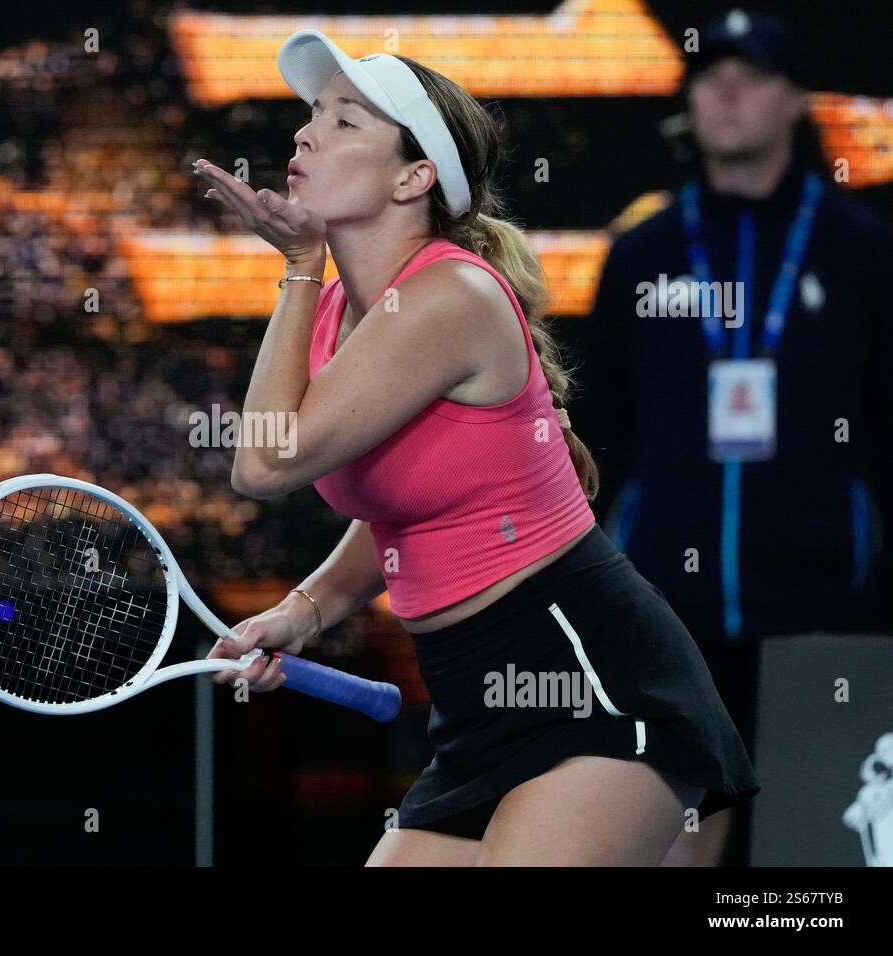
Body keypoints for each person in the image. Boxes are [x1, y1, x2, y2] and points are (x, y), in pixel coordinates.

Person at [196, 29, 759, 866]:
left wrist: (300, 263)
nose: (305, 135)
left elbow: (264, 464)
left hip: (585, 666)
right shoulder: (338, 317)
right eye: (312, 114)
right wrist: (304, 610)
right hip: (471, 700)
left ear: (413, 177)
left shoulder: (449, 295)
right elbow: (401, 499)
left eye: (346, 122)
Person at [572, 9, 893, 866]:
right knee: (680, 835)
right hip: (671, 606)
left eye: (750, 75)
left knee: (827, 847)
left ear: (794, 99)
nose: (726, 92)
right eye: (710, 75)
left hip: (828, 603)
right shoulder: (643, 252)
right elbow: (596, 426)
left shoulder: (860, 248)